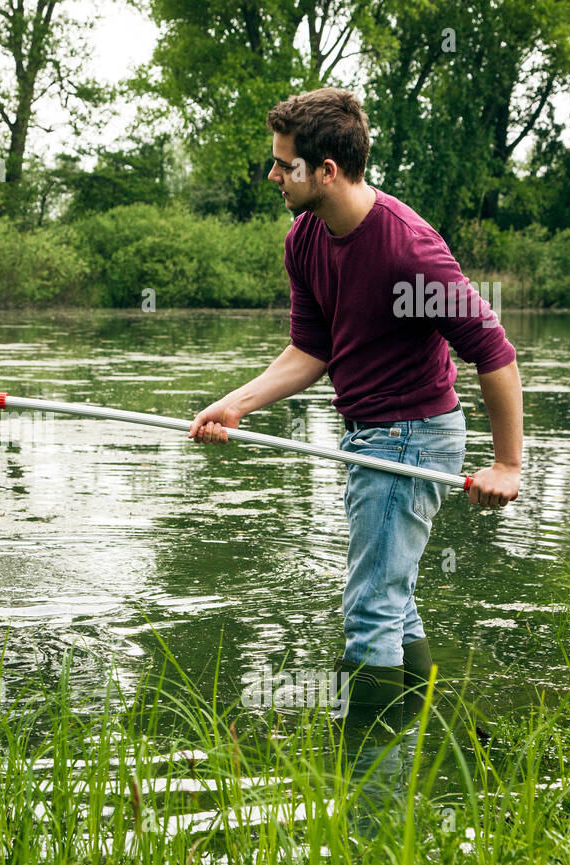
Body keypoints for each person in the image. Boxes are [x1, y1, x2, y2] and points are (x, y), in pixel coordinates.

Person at [189, 87, 523, 730]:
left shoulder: (408, 250)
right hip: (369, 435)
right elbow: (311, 350)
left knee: (369, 609)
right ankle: (424, 748)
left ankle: (364, 788)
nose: (273, 175)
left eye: (285, 164)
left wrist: (506, 462)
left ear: (328, 171)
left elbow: (494, 350)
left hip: (413, 439)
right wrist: (236, 405)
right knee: (393, 603)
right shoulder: (305, 239)